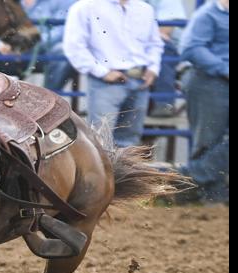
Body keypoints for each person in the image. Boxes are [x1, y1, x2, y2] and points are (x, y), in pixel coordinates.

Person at [63, 0, 165, 148]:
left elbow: (154, 44)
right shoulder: (85, 7)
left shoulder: (145, 8)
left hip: (135, 79)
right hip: (108, 80)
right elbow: (74, 47)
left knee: (122, 141)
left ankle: (117, 170)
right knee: (103, 141)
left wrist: (153, 68)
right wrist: (102, 72)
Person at [177, 0, 226, 203]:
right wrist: (224, 69)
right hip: (210, 81)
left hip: (216, 80)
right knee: (207, 140)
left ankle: (188, 179)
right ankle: (213, 197)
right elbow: (190, 48)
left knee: (209, 141)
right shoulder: (207, 14)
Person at [26, 0, 78, 98]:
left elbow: (60, 32)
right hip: (9, 52)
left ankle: (47, 100)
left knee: (63, 51)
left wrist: (23, 43)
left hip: (43, 51)